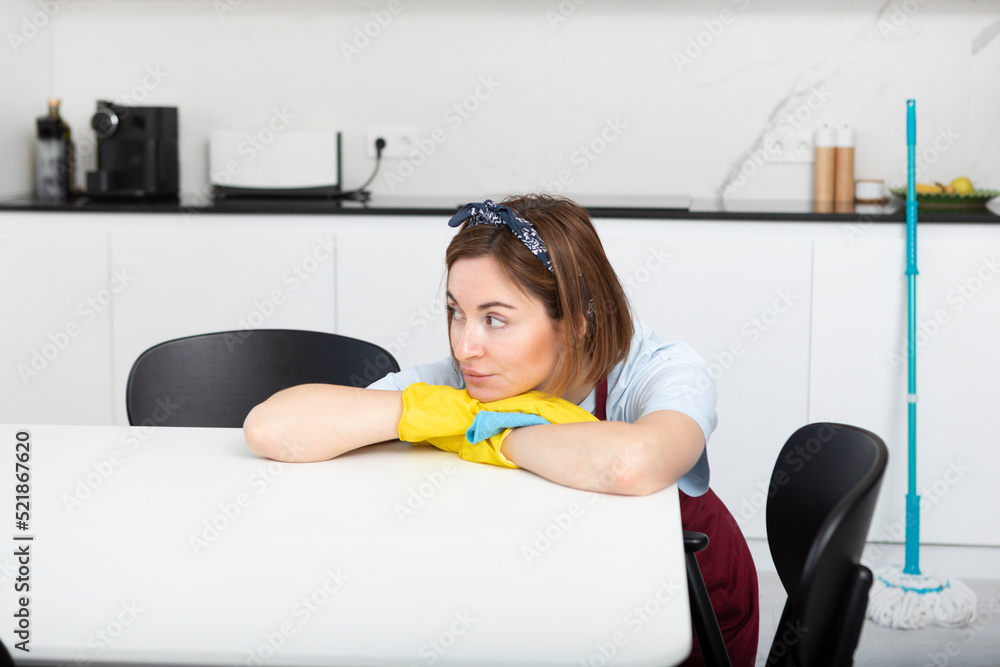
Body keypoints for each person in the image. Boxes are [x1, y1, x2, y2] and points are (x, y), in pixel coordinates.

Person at [243, 194, 759, 666]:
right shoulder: (473, 381)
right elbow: (271, 428)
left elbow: (631, 463)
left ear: (577, 320)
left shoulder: (660, 371)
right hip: (562, 597)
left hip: (686, 610)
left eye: (495, 319)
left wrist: (496, 433)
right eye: (456, 313)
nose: (464, 347)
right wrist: (461, 414)